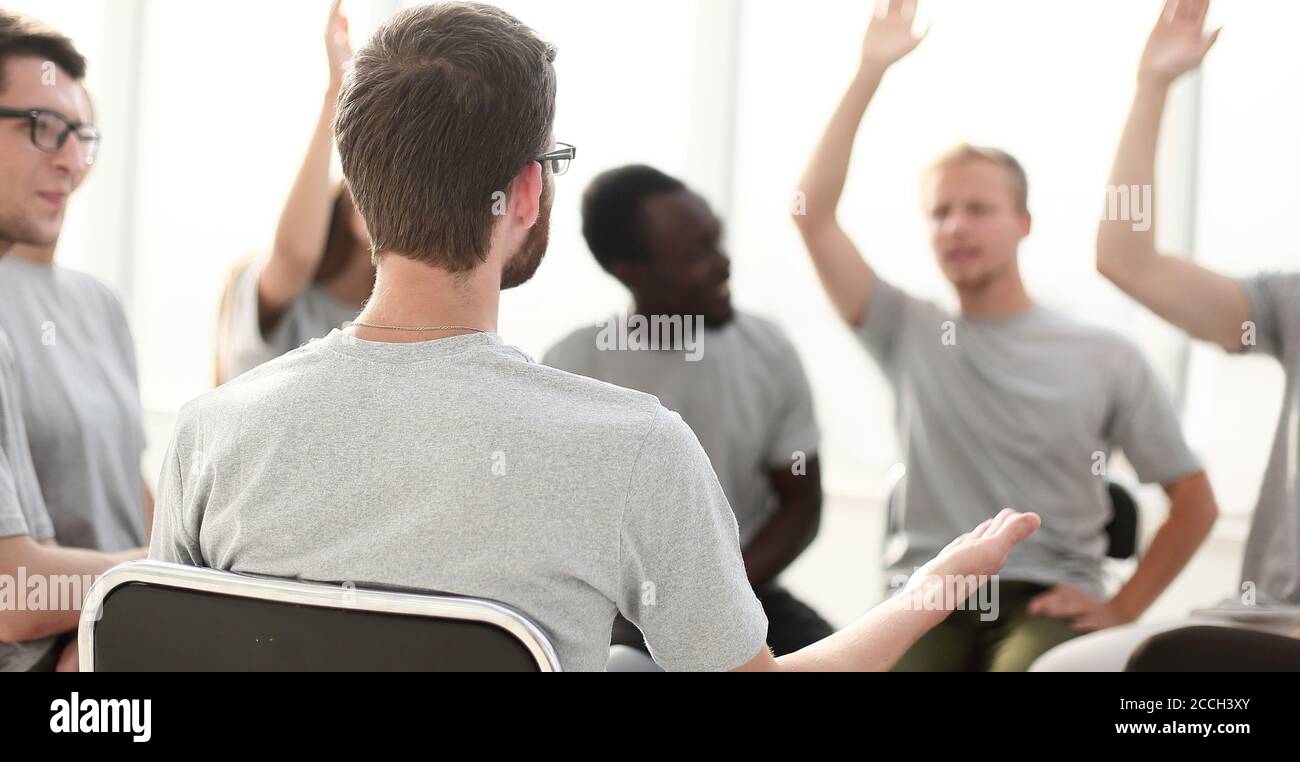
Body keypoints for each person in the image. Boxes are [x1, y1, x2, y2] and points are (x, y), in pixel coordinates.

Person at [149, 0, 1041, 673]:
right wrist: (937, 587)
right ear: (529, 192)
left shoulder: (210, 434)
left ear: (365, 184)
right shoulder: (632, 448)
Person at [791, 0, 1218, 670]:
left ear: (1023, 222)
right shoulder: (905, 328)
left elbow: (1194, 499)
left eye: (978, 209)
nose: (957, 227)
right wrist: (869, 70)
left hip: (1045, 597)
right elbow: (811, 215)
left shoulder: (1103, 353)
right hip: (927, 594)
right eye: (941, 213)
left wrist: (1123, 607)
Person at [1034, 0, 1300, 671]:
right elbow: (1128, 259)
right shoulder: (1290, 301)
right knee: (1063, 670)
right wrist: (1152, 88)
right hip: (1262, 616)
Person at [546, 165, 833, 657]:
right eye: (697, 252)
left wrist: (718, 594)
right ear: (631, 271)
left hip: (746, 591)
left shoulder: (768, 350)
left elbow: (802, 503)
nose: (722, 263)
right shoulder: (572, 370)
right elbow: (552, 525)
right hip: (611, 617)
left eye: (716, 240)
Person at [0, 10, 145, 672]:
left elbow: (123, 486)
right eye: (42, 129)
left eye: (80, 135)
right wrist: (178, 569)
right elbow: (17, 591)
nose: (71, 158)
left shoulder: (99, 305)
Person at [216, 0, 374, 384]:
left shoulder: (405, 321)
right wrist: (337, 92)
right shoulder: (282, 292)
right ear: (350, 191)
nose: (395, 191)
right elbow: (295, 256)